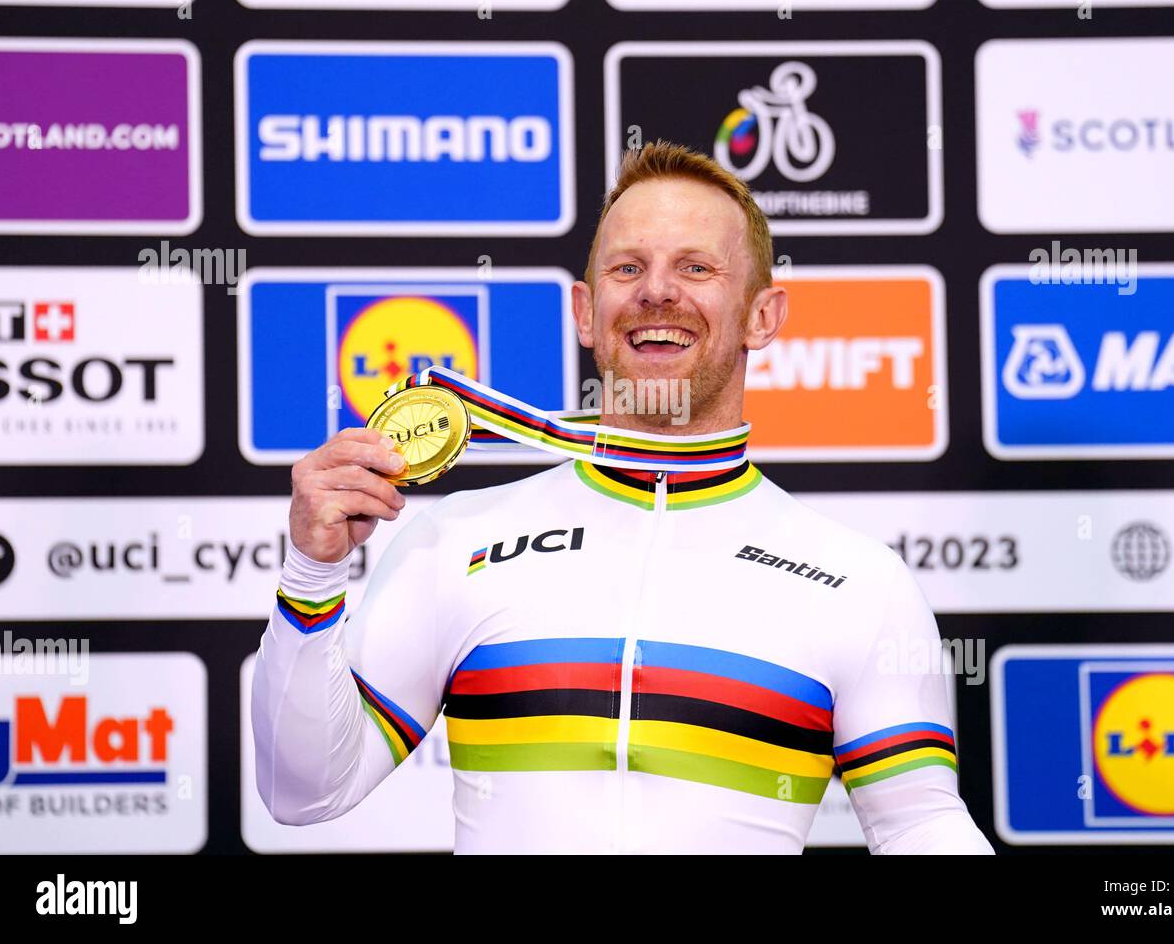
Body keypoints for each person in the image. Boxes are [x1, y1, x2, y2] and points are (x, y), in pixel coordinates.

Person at [251, 140, 994, 854]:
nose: (657, 291)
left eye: (696, 267)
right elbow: (304, 788)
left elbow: (921, 829)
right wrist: (311, 574)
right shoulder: (456, 539)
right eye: (627, 267)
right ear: (584, 310)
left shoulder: (859, 583)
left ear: (762, 316)